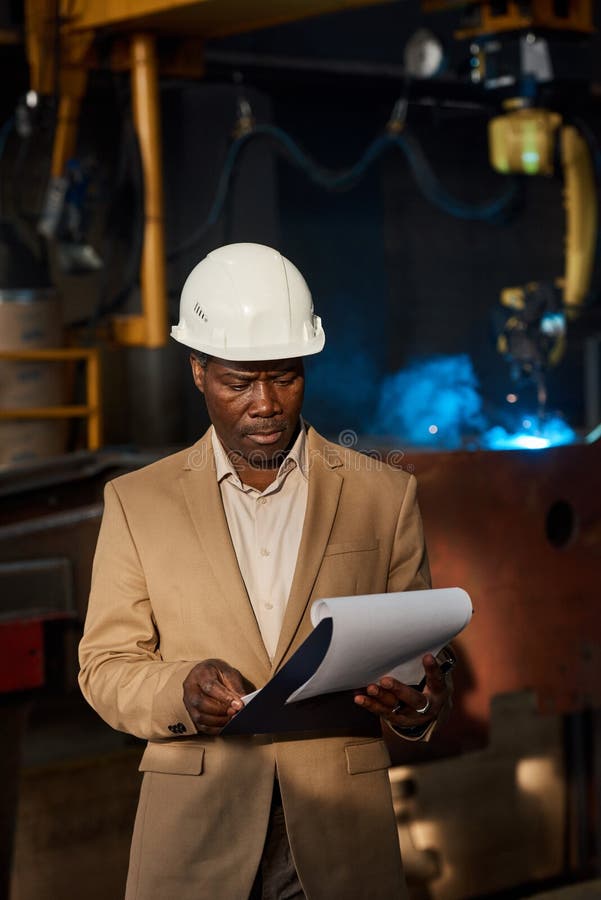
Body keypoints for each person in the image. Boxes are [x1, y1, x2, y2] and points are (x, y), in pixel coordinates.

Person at [78, 243, 453, 900]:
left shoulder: (382, 496)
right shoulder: (137, 503)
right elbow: (104, 666)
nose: (265, 404)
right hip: (196, 832)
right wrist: (179, 690)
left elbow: (418, 650)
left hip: (340, 832)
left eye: (283, 376)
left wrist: (419, 700)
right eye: (238, 382)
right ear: (197, 371)